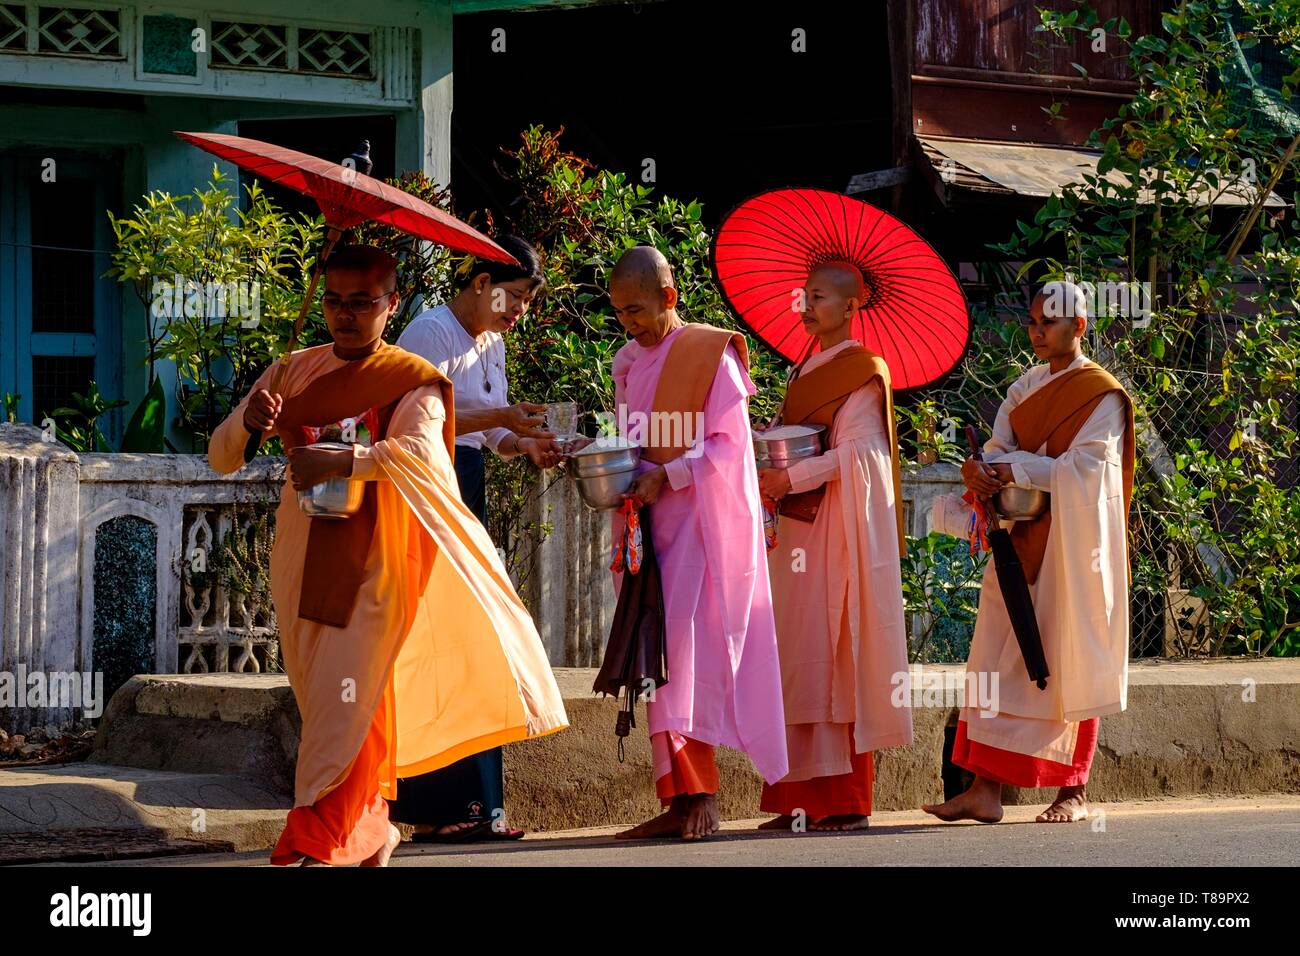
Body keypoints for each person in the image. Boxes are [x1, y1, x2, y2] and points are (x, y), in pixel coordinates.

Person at [208, 244, 568, 865]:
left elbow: (424, 458)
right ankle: (373, 825)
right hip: (302, 557)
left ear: (391, 303)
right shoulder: (292, 371)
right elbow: (221, 454)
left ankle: (322, 830)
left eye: (362, 302)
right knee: (326, 696)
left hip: (377, 560)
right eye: (334, 301)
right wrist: (251, 423)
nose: (345, 315)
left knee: (352, 695)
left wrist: (346, 459)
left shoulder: (411, 377)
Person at [922, 280, 1134, 825]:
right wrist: (980, 470)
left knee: (1071, 656)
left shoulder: (1102, 395)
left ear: (1080, 327)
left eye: (1051, 322)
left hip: (1072, 548)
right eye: (1034, 322)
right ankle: (983, 789)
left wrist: (1014, 467)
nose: (1039, 332)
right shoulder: (1023, 389)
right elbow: (996, 449)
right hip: (1017, 538)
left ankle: (1072, 792)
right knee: (994, 654)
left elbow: (1088, 472)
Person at [607, 245, 787, 842]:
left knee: (688, 660)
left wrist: (671, 474)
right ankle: (675, 797)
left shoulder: (712, 355)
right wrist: (614, 471)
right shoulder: (627, 363)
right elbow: (630, 441)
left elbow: (730, 450)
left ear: (669, 297)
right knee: (651, 655)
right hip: (647, 526)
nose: (629, 324)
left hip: (700, 530)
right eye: (620, 313)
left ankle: (704, 794)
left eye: (637, 310)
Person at [391, 235, 561, 842]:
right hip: (428, 483)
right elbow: (417, 415)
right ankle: (444, 810)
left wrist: (528, 446)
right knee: (441, 637)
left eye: (524, 301)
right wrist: (503, 421)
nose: (517, 311)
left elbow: (492, 432)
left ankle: (475, 809)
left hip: (468, 482)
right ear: (482, 283)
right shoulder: (431, 331)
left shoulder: (492, 343)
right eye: (513, 297)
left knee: (479, 639)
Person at [755, 262, 913, 832]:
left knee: (834, 654)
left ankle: (844, 800)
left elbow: (863, 456)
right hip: (796, 532)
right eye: (804, 295)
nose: (806, 304)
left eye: (818, 297)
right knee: (795, 658)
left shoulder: (863, 371)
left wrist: (790, 479)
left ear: (850, 307)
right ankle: (795, 800)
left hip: (833, 534)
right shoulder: (804, 369)